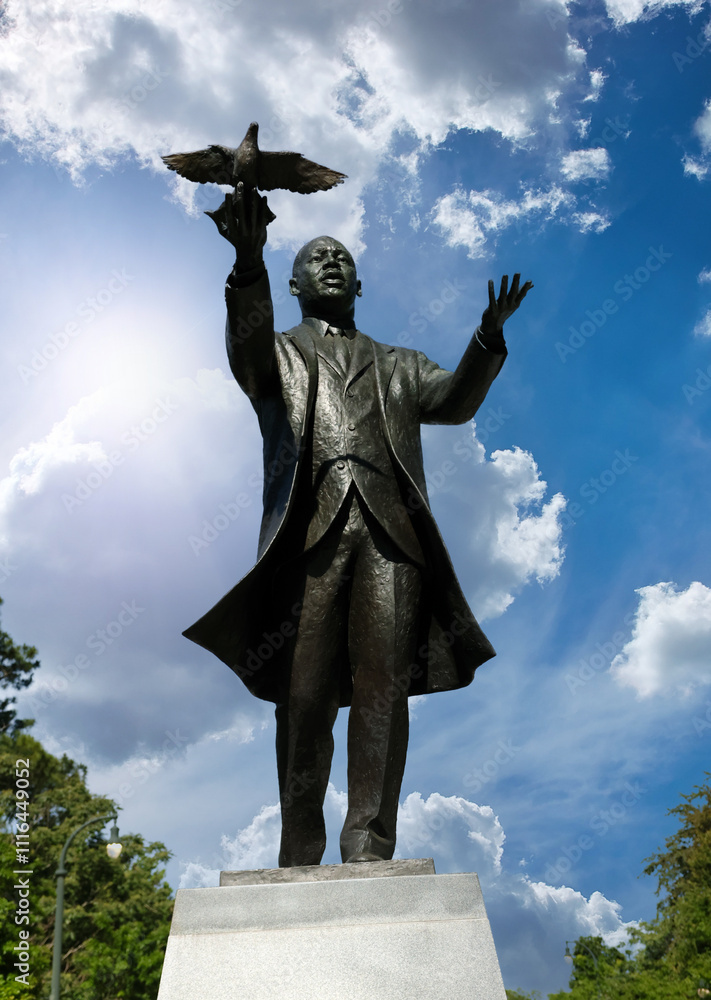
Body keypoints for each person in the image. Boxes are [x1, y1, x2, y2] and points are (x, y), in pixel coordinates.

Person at [184, 183, 532, 867]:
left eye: (341, 256)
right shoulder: (278, 355)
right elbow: (246, 349)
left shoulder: (400, 364)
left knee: (382, 694)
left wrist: (486, 337)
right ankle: (299, 845)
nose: (331, 263)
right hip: (308, 539)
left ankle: (369, 841)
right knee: (304, 696)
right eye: (316, 258)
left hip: (391, 540)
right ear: (294, 282)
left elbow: (455, 402)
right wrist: (247, 262)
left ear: (360, 282)